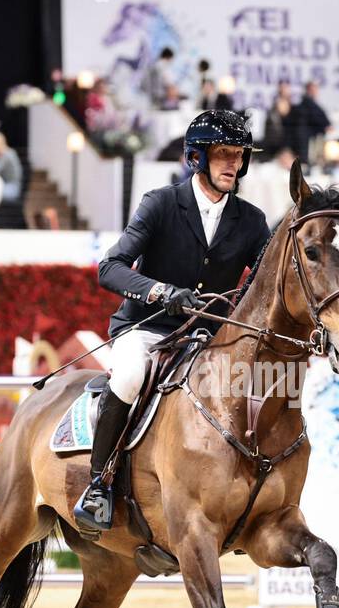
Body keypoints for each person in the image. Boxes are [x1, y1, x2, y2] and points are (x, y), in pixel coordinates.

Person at [74, 109, 271, 532]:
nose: (232, 164)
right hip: (147, 328)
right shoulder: (161, 204)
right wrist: (160, 291)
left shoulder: (252, 221)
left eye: (238, 155)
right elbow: (110, 267)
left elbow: (262, 284)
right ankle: (99, 483)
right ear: (197, 157)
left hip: (208, 339)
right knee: (127, 377)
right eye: (222, 154)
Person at [288, 80, 330, 163]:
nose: (315, 92)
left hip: (309, 144)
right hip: (306, 145)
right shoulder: (306, 107)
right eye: (313, 89)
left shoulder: (312, 106)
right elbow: (323, 122)